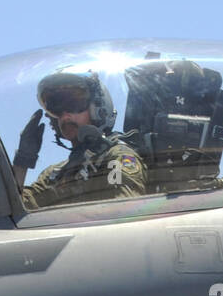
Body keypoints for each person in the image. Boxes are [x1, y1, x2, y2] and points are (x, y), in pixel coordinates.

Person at [14, 70, 146, 210]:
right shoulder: (56, 174)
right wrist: (23, 161)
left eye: (73, 104)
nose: (65, 117)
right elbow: (16, 209)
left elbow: (125, 211)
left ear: (97, 107)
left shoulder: (116, 157)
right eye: (57, 108)